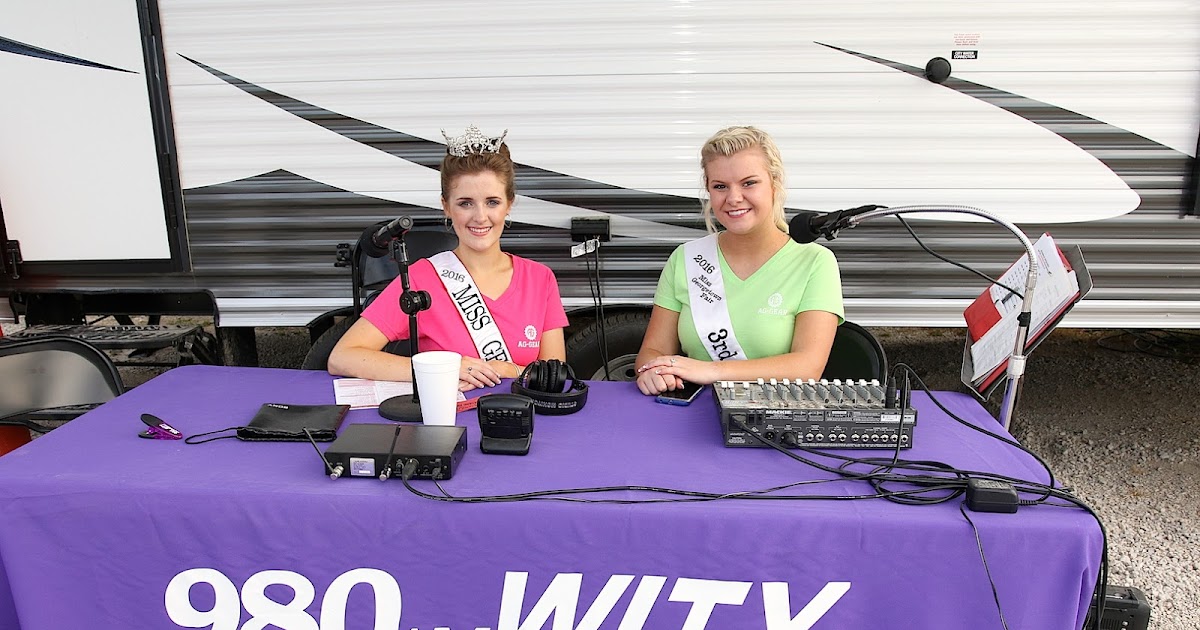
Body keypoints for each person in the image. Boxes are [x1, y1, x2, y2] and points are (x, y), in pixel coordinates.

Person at [328, 125, 568, 391]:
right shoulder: (422, 277)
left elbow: (554, 376)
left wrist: (508, 370)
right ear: (446, 206)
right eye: (465, 203)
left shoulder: (540, 279)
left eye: (492, 202)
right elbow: (343, 357)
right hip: (448, 424)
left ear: (509, 204)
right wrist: (445, 368)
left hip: (525, 423)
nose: (479, 217)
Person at [635, 125, 844, 395]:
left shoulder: (815, 262)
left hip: (774, 420)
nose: (734, 198)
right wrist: (653, 371)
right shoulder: (685, 259)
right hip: (690, 412)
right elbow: (653, 351)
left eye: (749, 183)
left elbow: (807, 366)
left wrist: (712, 371)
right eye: (720, 186)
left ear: (775, 183)